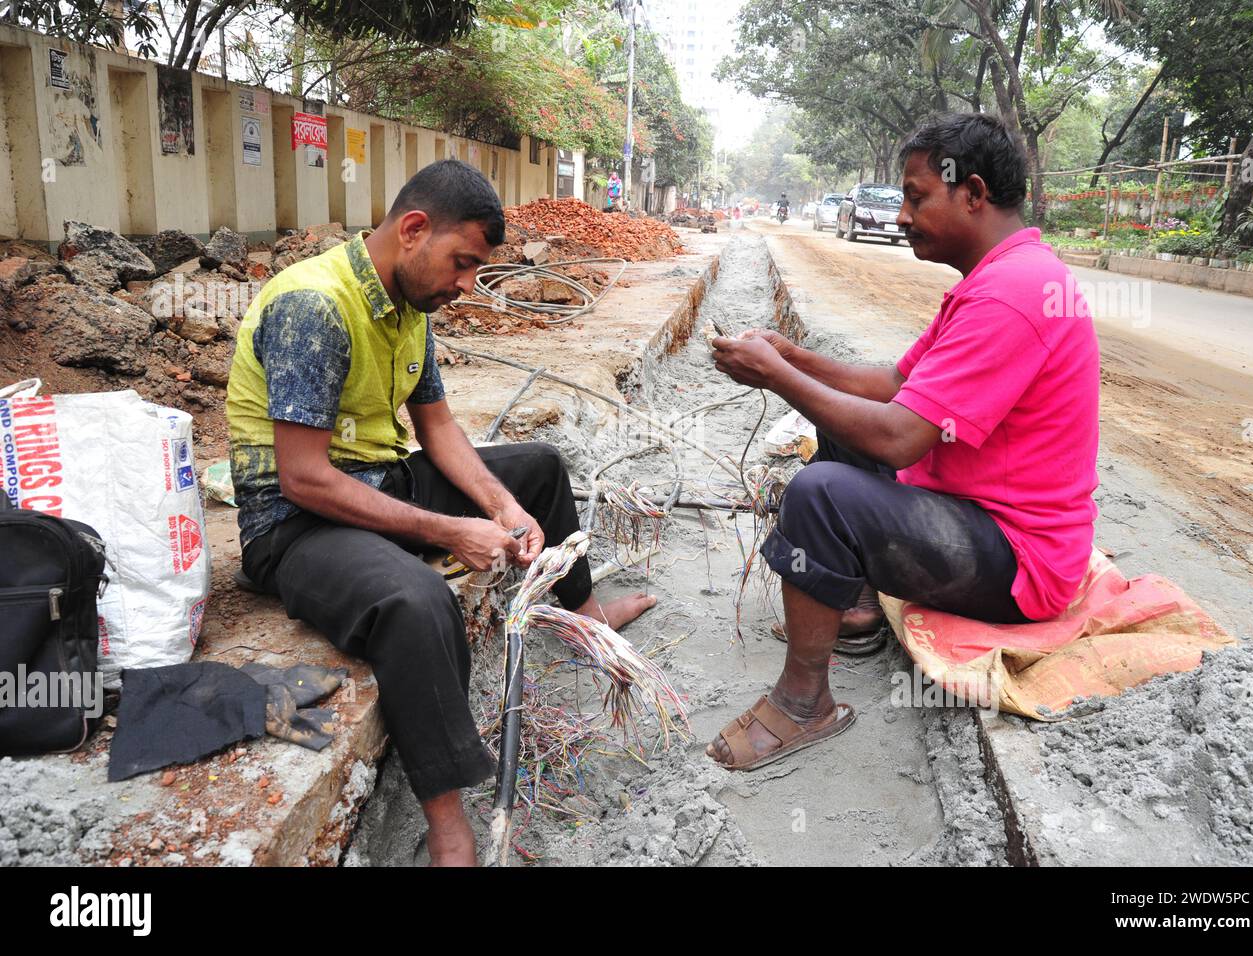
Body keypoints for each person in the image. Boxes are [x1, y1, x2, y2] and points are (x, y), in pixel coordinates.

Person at [226, 160, 656, 863]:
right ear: (414, 230)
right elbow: (304, 480)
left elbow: (441, 431)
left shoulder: (407, 302)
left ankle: (582, 615)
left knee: (539, 467)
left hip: (378, 481)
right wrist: (449, 530)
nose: (466, 286)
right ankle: (447, 819)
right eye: (462, 264)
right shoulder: (315, 305)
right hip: (296, 523)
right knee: (419, 600)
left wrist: (501, 506)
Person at [706, 112, 1099, 771]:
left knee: (821, 494)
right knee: (837, 424)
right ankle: (856, 608)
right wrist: (794, 358)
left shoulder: (1014, 294)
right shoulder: (996, 281)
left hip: (1021, 561)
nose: (902, 216)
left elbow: (898, 440)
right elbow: (894, 385)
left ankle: (805, 703)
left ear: (971, 193)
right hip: (981, 518)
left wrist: (777, 378)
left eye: (916, 198)